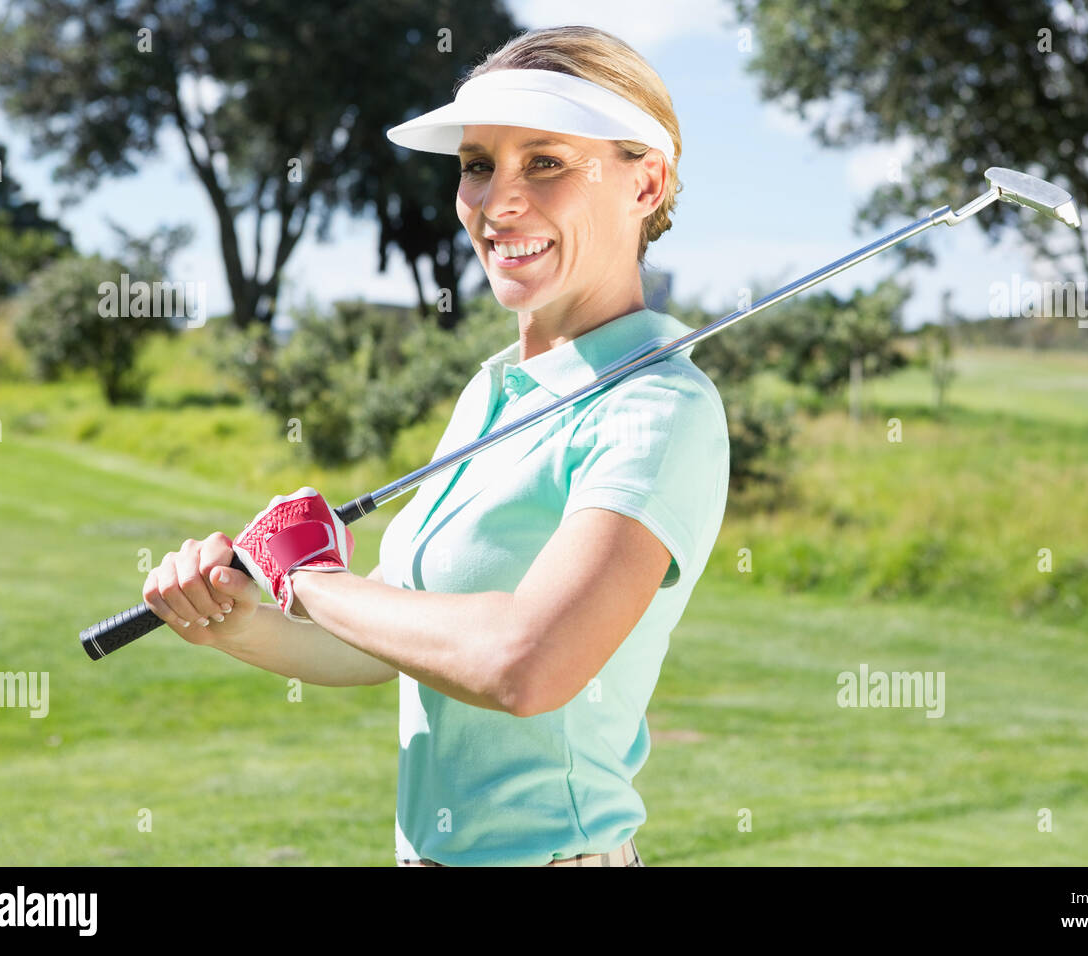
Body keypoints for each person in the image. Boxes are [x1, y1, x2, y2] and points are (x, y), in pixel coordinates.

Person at [142, 25, 730, 867]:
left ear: (646, 183)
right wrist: (235, 624)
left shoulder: (658, 410)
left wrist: (307, 576)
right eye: (478, 164)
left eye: (547, 162)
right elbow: (387, 634)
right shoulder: (494, 391)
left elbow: (524, 663)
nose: (498, 201)